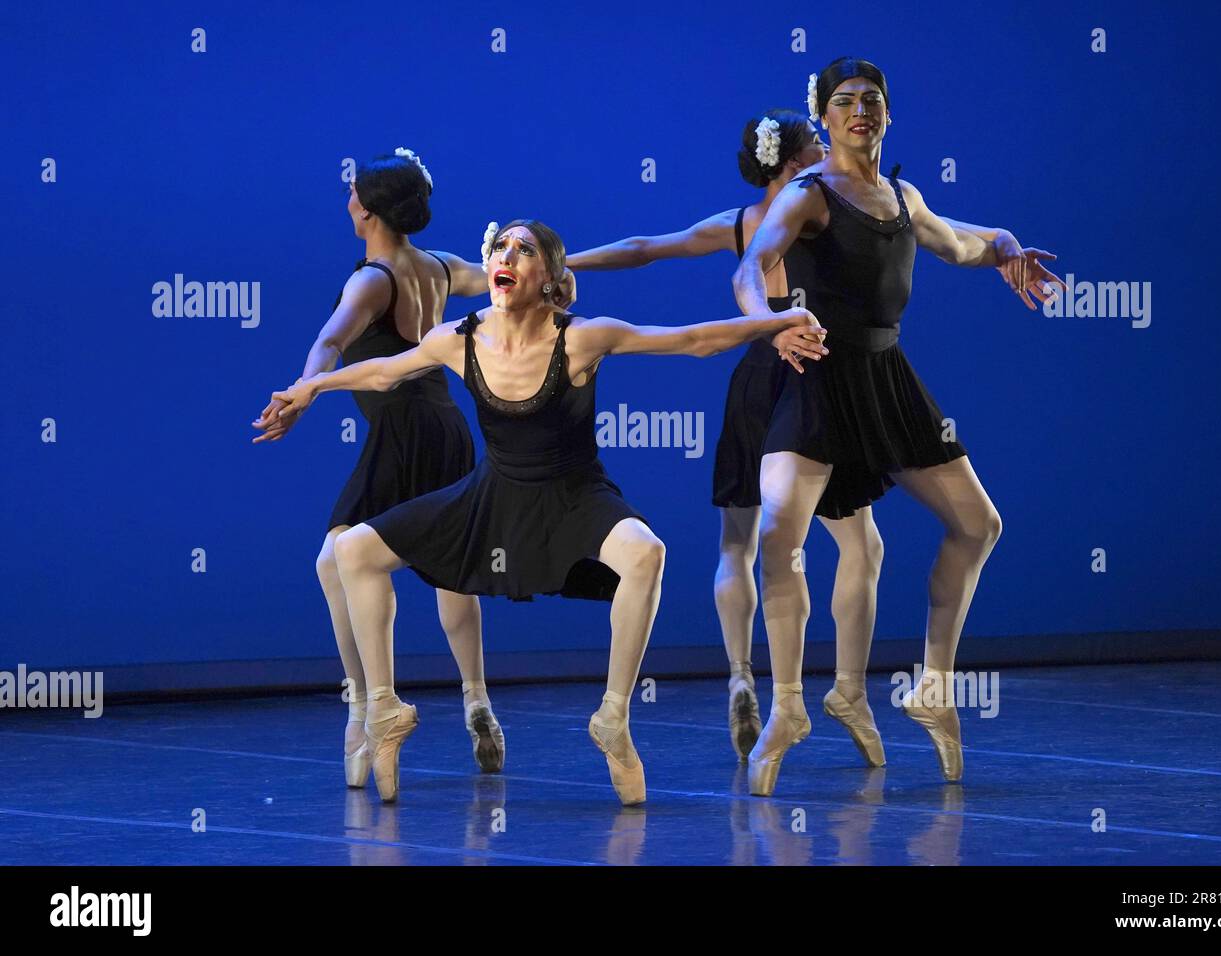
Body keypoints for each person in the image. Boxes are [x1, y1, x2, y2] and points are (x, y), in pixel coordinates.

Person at [256, 219, 826, 804]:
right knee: (352, 551)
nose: (507, 254)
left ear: (551, 278)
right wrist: (312, 388)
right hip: (493, 496)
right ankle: (382, 709)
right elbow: (381, 371)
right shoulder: (460, 337)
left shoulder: (582, 337)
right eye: (501, 245)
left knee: (647, 553)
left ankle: (613, 717)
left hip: (574, 497)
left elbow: (691, 339)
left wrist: (776, 322)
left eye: (524, 249)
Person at [734, 57, 1064, 794]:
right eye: (845, 101)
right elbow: (751, 267)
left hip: (888, 381)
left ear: (888, 115)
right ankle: (788, 707)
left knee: (979, 524)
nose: (860, 111)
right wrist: (769, 321)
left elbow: (960, 243)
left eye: (872, 101)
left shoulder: (903, 197)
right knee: (779, 535)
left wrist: (1006, 244)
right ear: (824, 117)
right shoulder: (807, 195)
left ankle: (935, 686)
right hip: (815, 374)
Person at [566, 110, 889, 767]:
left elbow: (643, 247)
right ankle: (837, 688)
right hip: (810, 370)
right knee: (857, 539)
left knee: (738, 541)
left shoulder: (742, 223)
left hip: (755, 374)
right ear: (794, 165)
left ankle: (743, 675)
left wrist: (562, 260)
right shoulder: (820, 210)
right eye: (815, 151)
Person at [252, 150, 544, 786]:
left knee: (338, 559)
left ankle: (365, 707)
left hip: (404, 433)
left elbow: (332, 338)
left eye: (354, 195)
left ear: (371, 208)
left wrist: (305, 391)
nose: (347, 203)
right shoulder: (436, 267)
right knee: (451, 578)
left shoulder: (372, 278)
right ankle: (477, 705)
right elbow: (491, 275)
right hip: (444, 426)